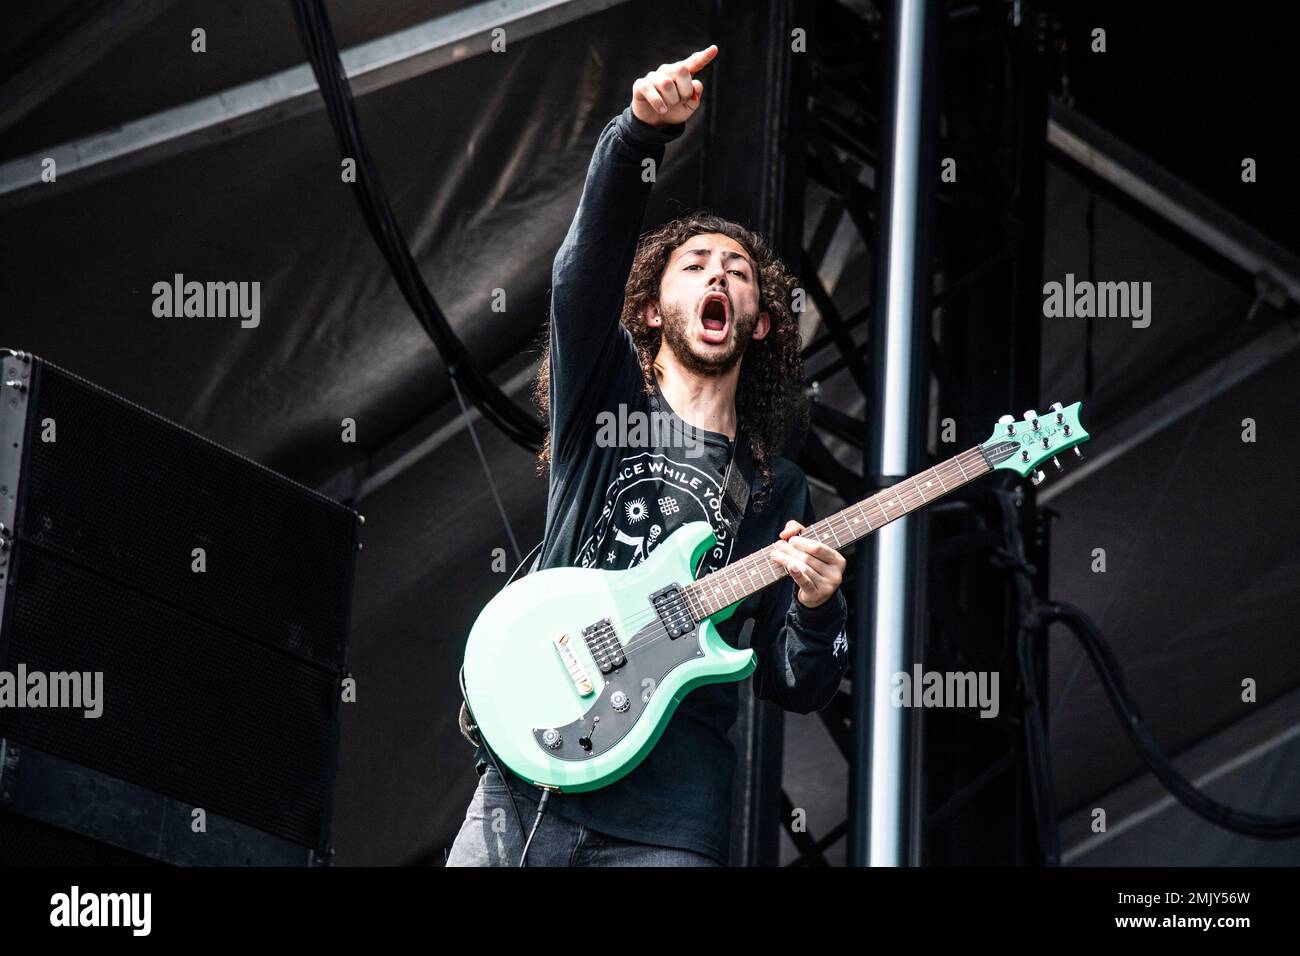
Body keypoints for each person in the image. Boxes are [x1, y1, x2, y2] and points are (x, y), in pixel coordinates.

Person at [445, 44, 848, 867]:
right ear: (654, 310)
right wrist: (636, 139)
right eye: (695, 264)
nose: (719, 276)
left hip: (667, 824)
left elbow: (794, 681)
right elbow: (578, 277)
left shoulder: (778, 488)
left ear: (759, 322)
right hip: (529, 779)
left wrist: (817, 609)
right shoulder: (609, 403)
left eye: (738, 273)